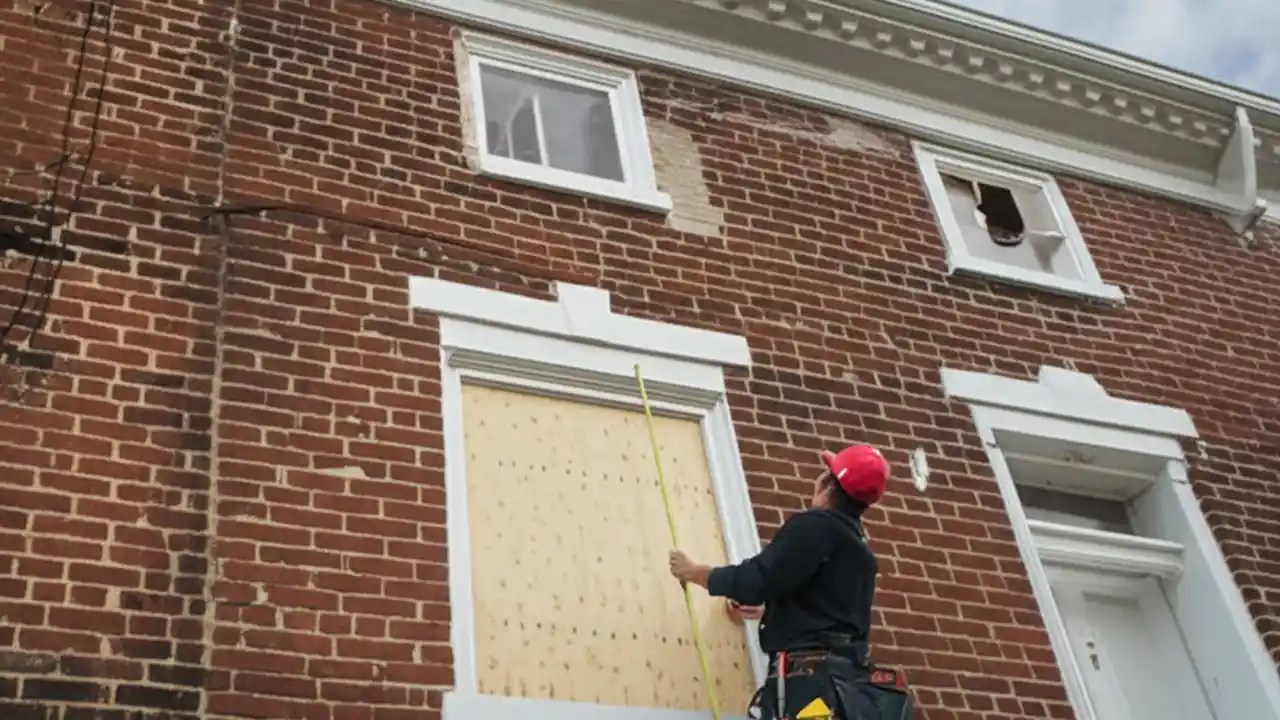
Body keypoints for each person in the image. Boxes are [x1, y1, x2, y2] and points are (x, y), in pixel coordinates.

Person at [668, 445, 914, 720]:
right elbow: (829, 612)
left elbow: (758, 579)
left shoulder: (817, 526)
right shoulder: (861, 553)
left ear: (828, 484)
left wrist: (699, 574)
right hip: (842, 686)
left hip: (810, 684)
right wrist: (774, 613)